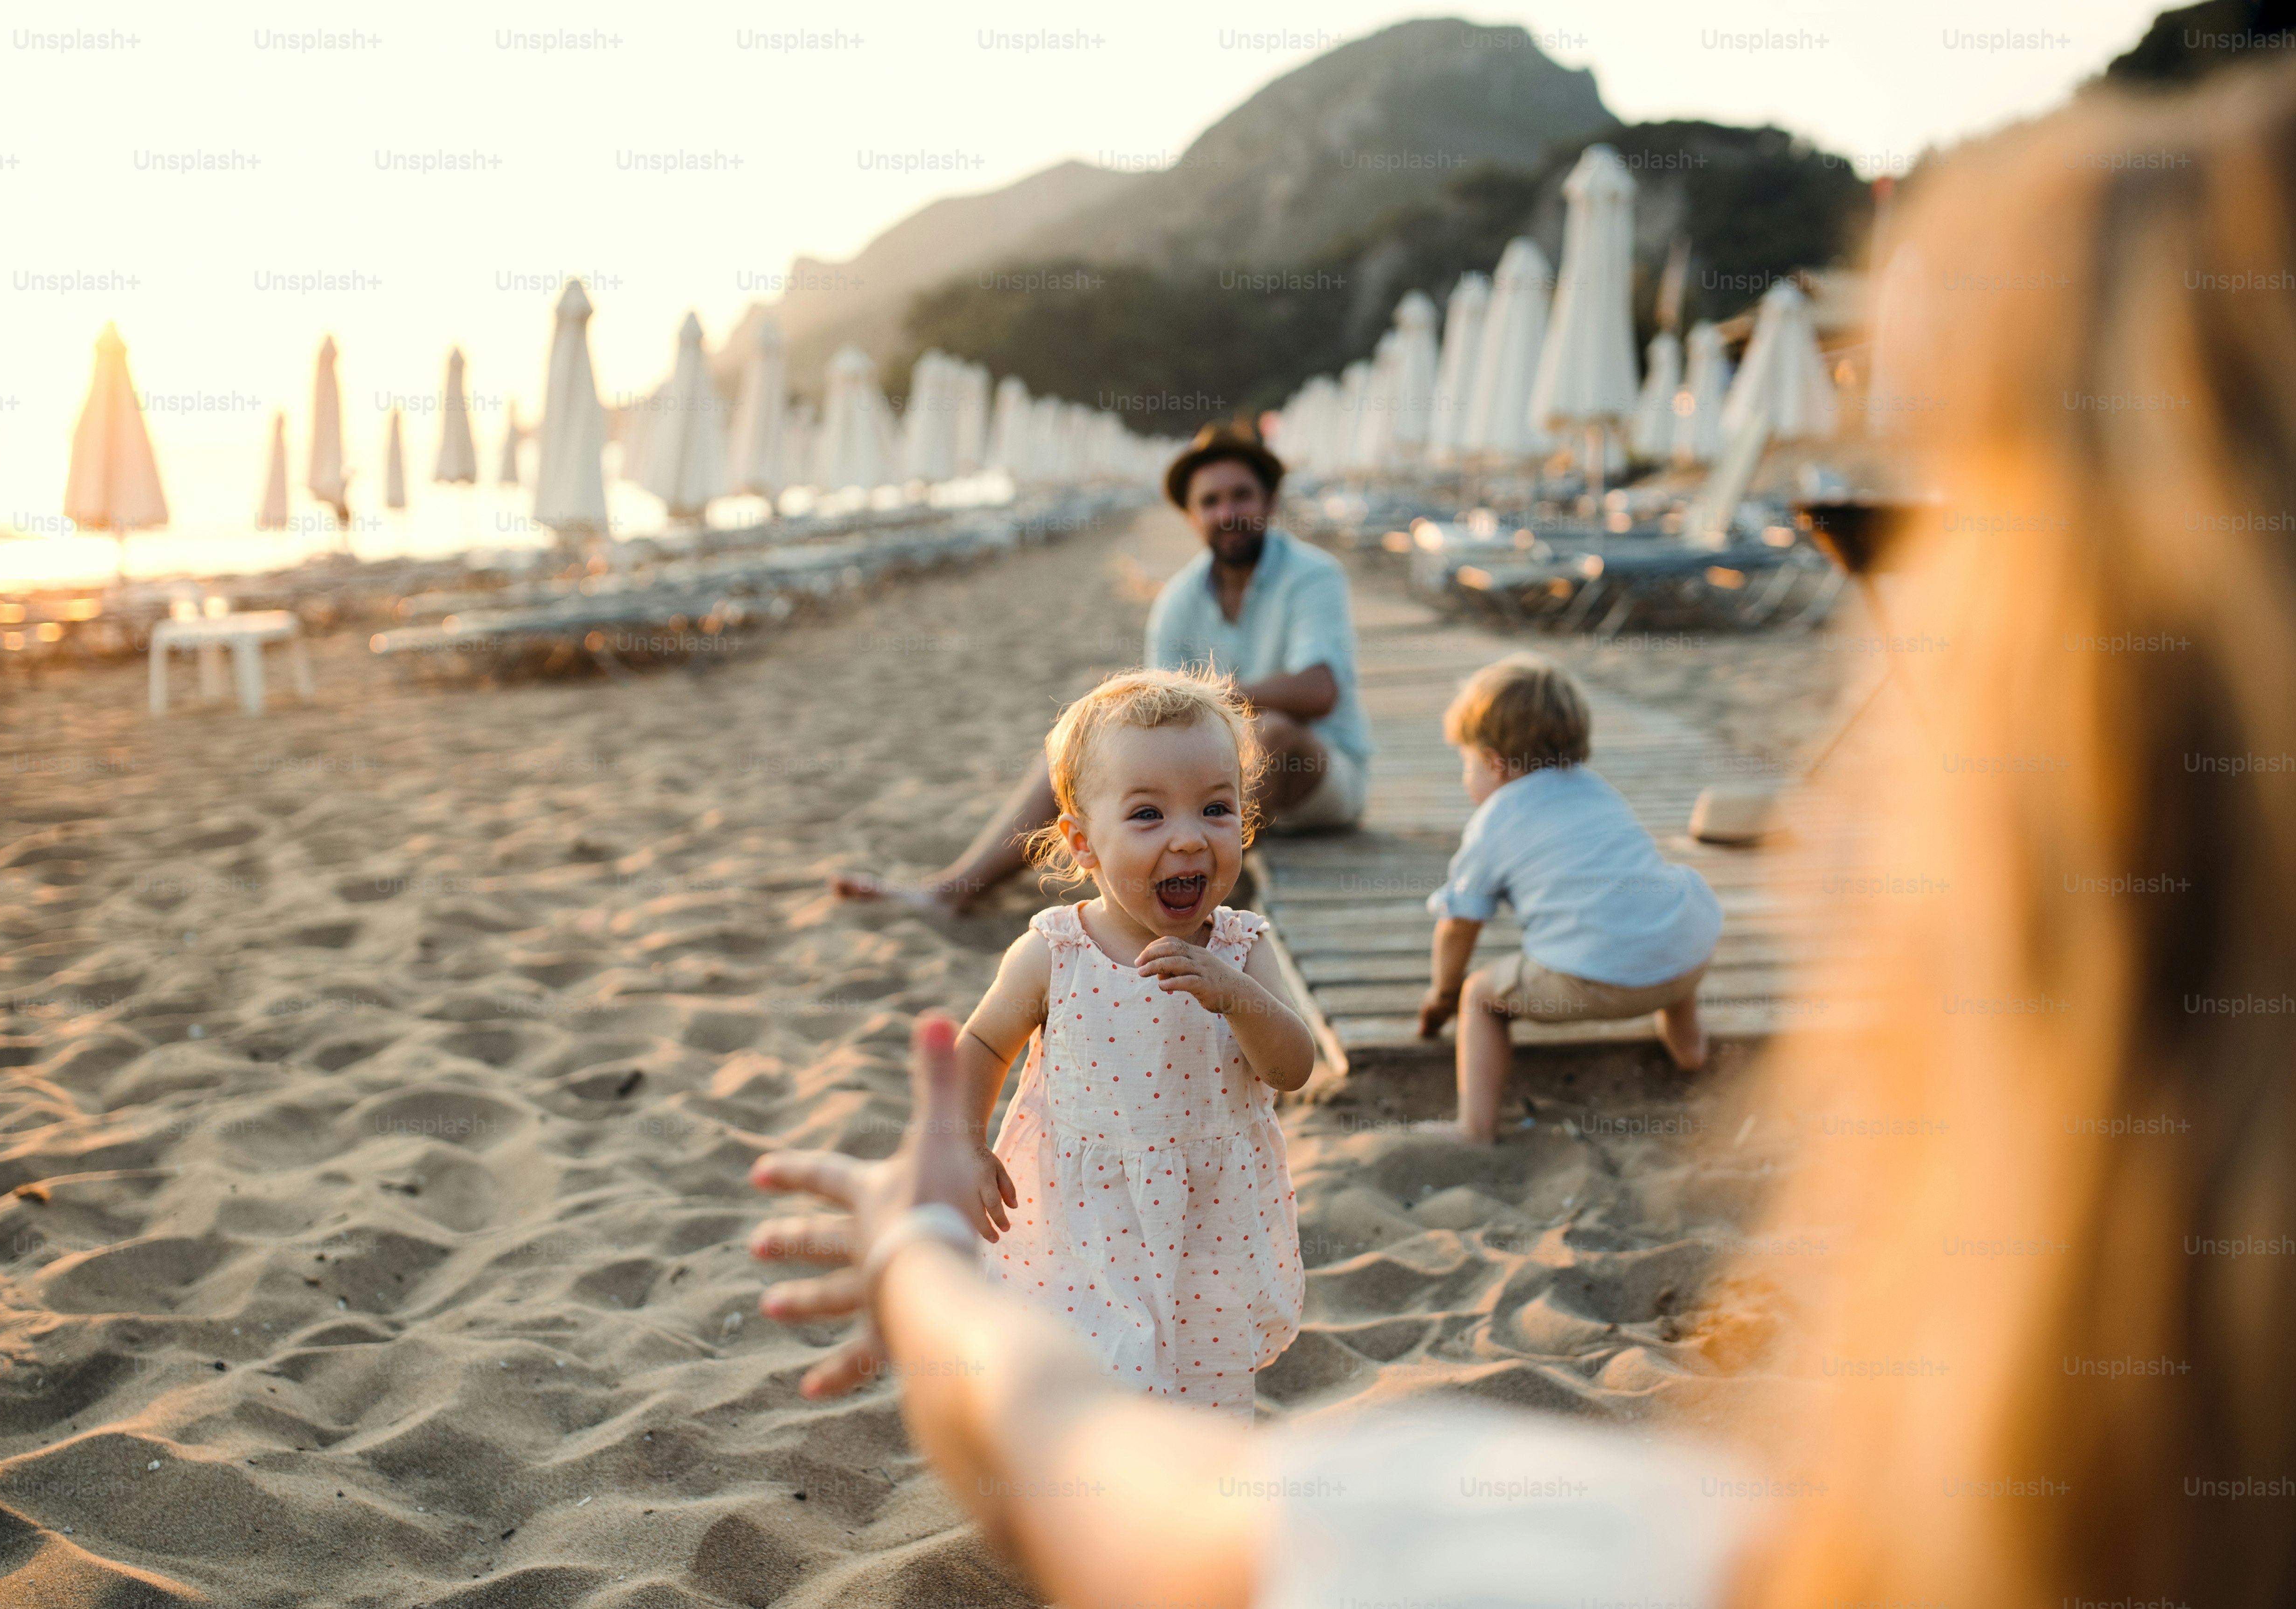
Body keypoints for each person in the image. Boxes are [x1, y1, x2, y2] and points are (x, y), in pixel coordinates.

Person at [753, 62, 2296, 1609]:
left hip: (1306, 809)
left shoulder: (1658, 1559)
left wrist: (920, 1257)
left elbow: (1071, 1459)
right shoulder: (1088, 865)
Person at [854, 666, 1310, 1417]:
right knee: (1089, 1375)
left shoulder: (1242, 948)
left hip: (1210, 1211)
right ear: (1081, 842)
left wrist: (1239, 1000)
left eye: (1215, 808)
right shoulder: (1053, 953)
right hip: (1086, 1213)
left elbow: (1290, 1069)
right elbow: (981, 1045)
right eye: (1146, 816)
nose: (1188, 838)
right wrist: (968, 1146)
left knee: (1206, 1377)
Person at [832, 424, 1373, 914]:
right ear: (1191, 515)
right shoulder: (1180, 598)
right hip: (1212, 789)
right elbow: (1165, 721)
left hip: (1320, 782)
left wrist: (1208, 703)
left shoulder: (1313, 574)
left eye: (1241, 495)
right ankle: (954, 889)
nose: (1227, 511)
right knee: (1085, 738)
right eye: (1210, 501)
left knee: (1269, 733)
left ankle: (1195, 913)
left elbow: (1319, 689)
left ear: (1270, 502)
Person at [1414, 653, 1722, 1142]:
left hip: (1597, 981)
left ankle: (1474, 1126)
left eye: (1467, 763)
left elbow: (1459, 922)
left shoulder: (1494, 821)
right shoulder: (1598, 789)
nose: (1466, 776)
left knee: (1481, 997)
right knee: (1657, 911)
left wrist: (1443, 993)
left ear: (1496, 763)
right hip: (1688, 959)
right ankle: (1691, 1050)